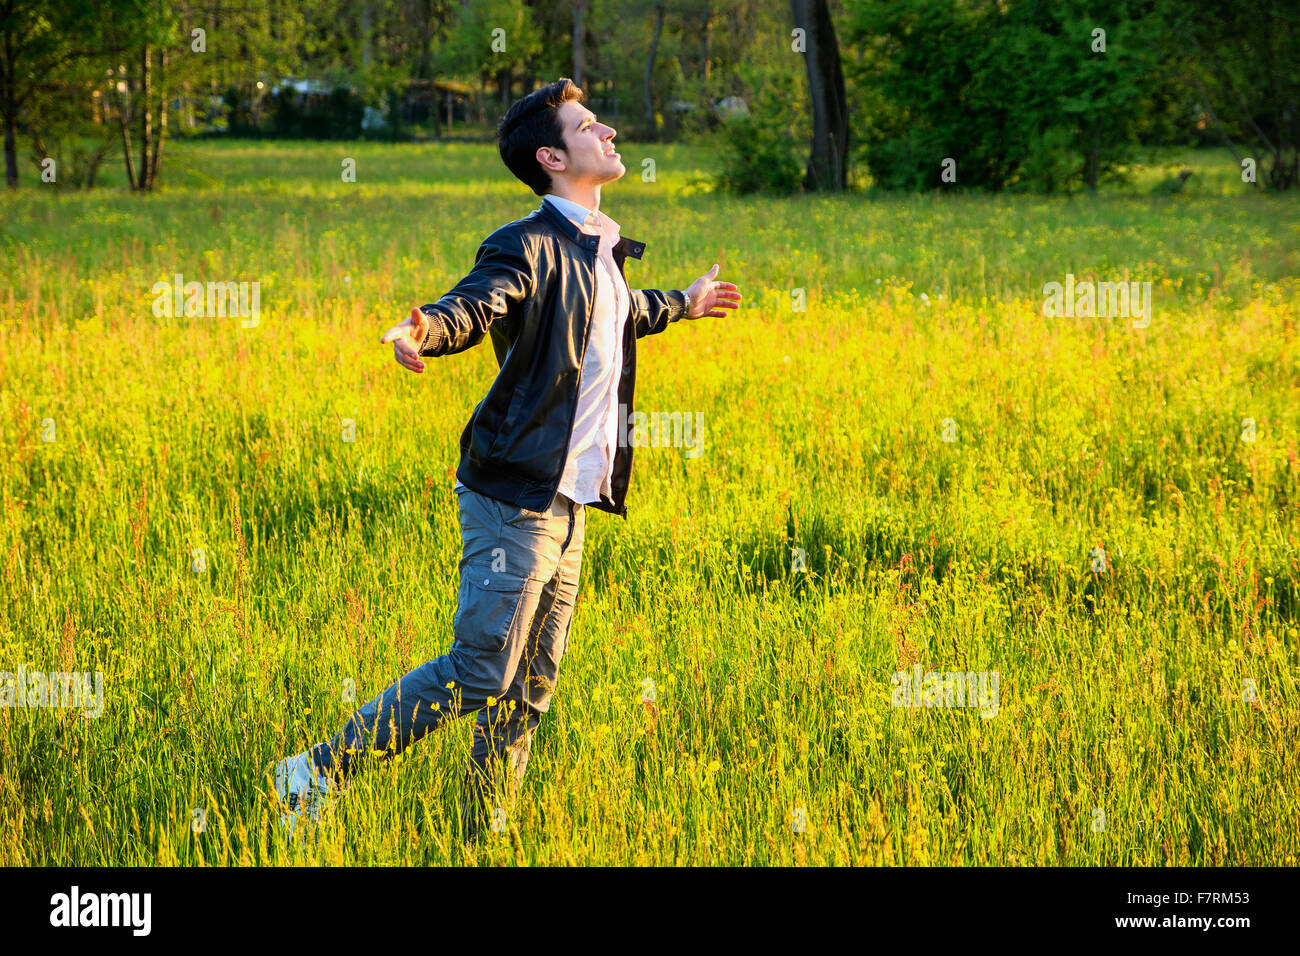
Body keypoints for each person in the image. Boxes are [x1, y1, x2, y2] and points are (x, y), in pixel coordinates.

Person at [274, 76, 741, 844]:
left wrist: (682, 305)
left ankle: (485, 833)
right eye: (591, 125)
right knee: (482, 669)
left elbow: (612, 315)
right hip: (514, 496)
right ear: (553, 156)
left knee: (531, 686)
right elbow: (476, 304)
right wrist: (420, 329)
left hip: (571, 500)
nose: (610, 133)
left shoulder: (600, 247)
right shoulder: (524, 244)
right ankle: (315, 774)